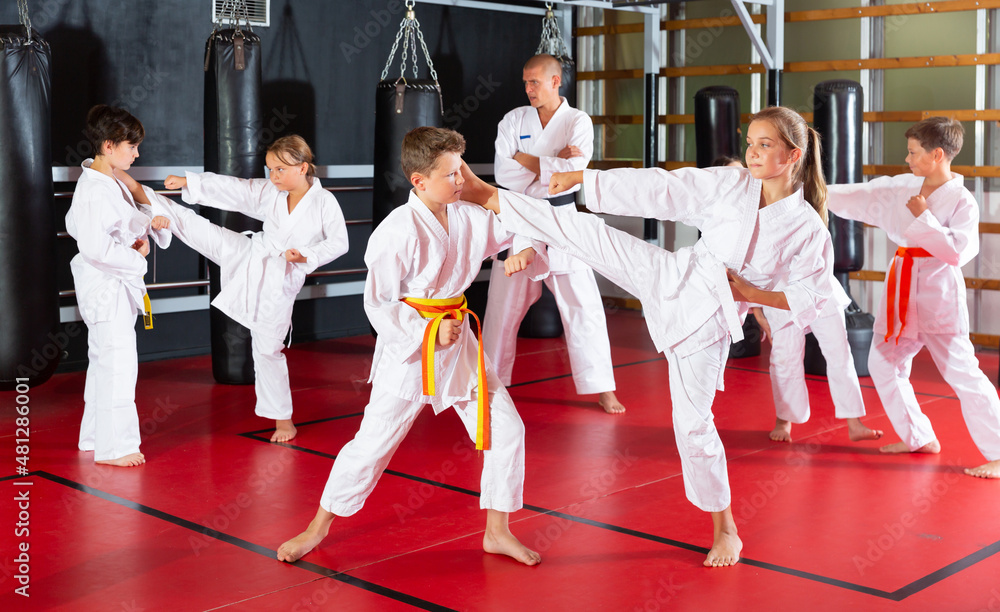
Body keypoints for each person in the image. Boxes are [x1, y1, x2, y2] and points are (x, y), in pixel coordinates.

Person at [459, 107, 838, 568]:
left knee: (693, 427)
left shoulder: (807, 228)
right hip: (672, 274)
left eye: (765, 145)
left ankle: (727, 531)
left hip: (707, 323)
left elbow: (812, 295)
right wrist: (585, 179)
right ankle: (490, 196)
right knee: (583, 231)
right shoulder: (734, 185)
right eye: (751, 141)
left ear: (792, 155)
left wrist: (754, 294)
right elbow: (664, 188)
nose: (752, 153)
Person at [276, 127, 547, 566]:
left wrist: (527, 248)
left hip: (460, 345)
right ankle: (316, 527)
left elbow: (518, 223)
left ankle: (497, 531)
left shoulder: (467, 214)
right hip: (412, 352)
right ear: (419, 181)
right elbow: (377, 302)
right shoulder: (395, 232)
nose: (462, 181)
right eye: (451, 174)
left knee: (507, 430)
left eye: (461, 170)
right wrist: (426, 331)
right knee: (372, 444)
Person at [123, 135, 349, 443]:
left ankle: (284, 421)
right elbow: (235, 189)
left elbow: (339, 243)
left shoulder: (324, 202)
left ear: (303, 167)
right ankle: (139, 192)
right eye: (270, 169)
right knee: (193, 226)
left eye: (281, 169)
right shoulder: (272, 192)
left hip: (281, 276)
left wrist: (306, 255)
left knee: (268, 349)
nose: (274, 176)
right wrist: (191, 183)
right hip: (251, 252)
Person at [825, 116, 1000, 479]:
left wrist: (925, 219)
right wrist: (817, 191)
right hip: (902, 288)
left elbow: (957, 252)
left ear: (937, 155)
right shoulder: (906, 185)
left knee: (962, 373)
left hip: (937, 294)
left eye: (913, 153)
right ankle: (918, 436)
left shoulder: (963, 201)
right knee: (883, 363)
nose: (907, 159)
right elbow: (867, 194)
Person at [484, 53, 624, 415]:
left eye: (535, 81)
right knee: (502, 308)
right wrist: (551, 161)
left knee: (584, 306)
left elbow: (573, 170)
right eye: (525, 82)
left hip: (562, 220)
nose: (528, 88)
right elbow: (505, 175)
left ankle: (603, 387)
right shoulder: (513, 119)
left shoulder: (578, 121)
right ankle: (490, 381)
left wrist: (527, 159)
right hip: (519, 220)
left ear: (555, 81)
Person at [66, 105, 173, 467]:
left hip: (111, 287)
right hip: (107, 288)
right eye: (132, 146)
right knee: (118, 365)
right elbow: (95, 247)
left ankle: (95, 437)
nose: (137, 153)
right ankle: (116, 448)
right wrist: (136, 255)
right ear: (109, 145)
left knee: (103, 364)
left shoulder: (105, 181)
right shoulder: (96, 189)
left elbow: (117, 229)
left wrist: (147, 224)